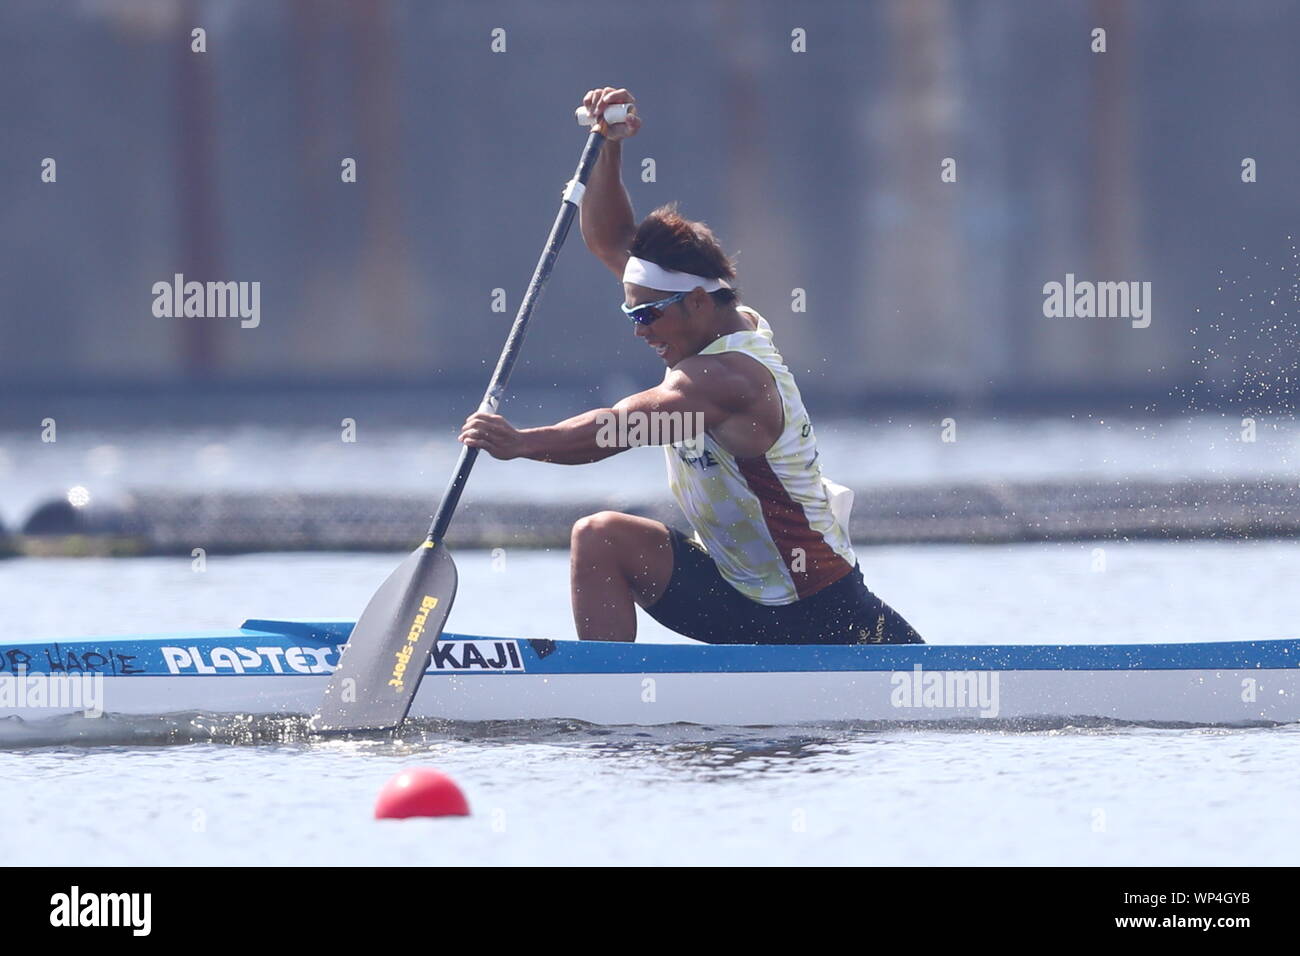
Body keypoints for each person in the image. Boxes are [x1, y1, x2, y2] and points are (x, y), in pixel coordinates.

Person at [459, 87, 923, 647]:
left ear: (697, 302)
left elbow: (620, 428)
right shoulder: (710, 314)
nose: (638, 328)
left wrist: (521, 442)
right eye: (629, 311)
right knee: (600, 536)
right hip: (735, 592)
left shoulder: (725, 380)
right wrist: (609, 147)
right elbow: (611, 241)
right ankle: (608, 696)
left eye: (649, 314)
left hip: (816, 611)